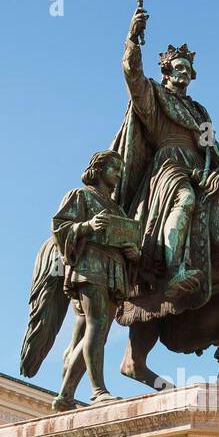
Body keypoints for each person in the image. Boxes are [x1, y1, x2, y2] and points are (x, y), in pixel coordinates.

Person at [115, 7, 219, 306]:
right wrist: (133, 37)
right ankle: (174, 271)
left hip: (200, 170)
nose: (184, 73)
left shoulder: (200, 111)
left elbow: (214, 148)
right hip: (169, 168)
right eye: (178, 68)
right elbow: (133, 74)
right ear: (167, 72)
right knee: (185, 200)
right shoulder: (154, 96)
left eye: (187, 69)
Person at [52, 150, 139, 408]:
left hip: (113, 268)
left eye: (121, 169)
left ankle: (65, 395)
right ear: (99, 169)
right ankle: (98, 390)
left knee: (98, 330)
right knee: (97, 325)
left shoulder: (117, 208)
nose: (119, 174)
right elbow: (60, 227)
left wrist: (133, 252)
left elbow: (126, 239)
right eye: (115, 168)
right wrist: (88, 226)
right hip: (90, 264)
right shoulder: (81, 195)